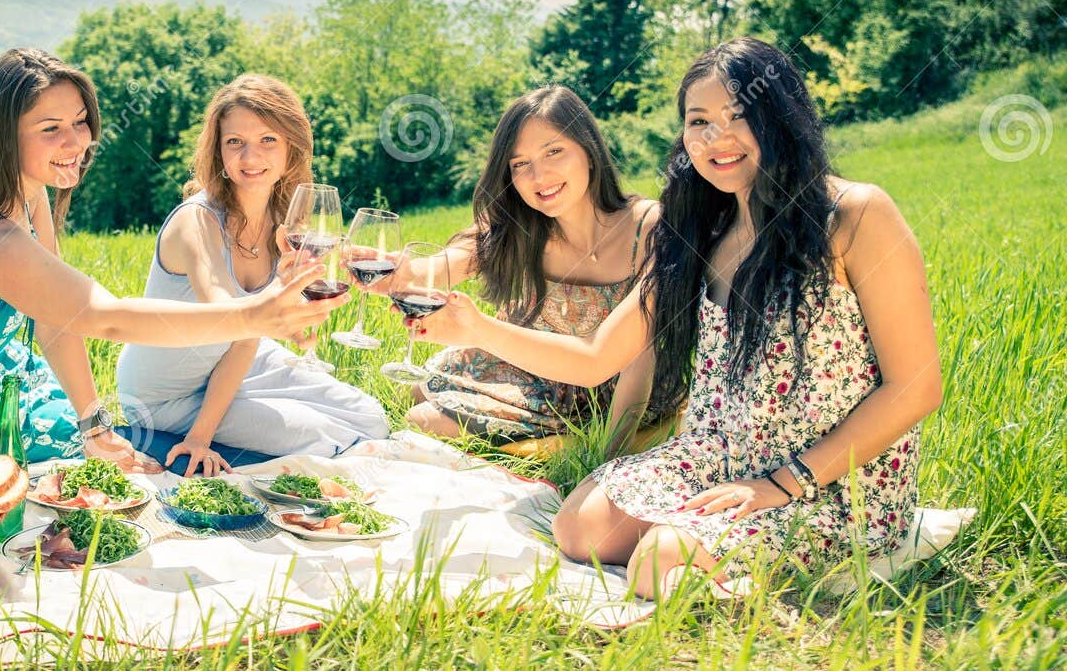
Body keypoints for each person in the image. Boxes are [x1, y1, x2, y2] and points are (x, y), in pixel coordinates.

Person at [399, 38, 942, 598]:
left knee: (659, 559)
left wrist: (783, 482)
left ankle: (715, 564)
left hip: (830, 475)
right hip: (714, 454)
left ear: (781, 116)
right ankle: (706, 547)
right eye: (699, 121)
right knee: (579, 527)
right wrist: (474, 327)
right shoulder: (698, 231)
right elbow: (595, 361)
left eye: (738, 116)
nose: (717, 138)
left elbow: (916, 386)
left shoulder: (853, 214)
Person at [0, 48, 345, 471]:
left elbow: (56, 319)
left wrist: (92, 422)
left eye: (80, 121)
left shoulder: (29, 194)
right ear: (3, 139)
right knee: (103, 471)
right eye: (51, 129)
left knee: (109, 447)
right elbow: (103, 317)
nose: (78, 142)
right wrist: (252, 315)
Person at [116, 75, 390, 475]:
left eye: (267, 140)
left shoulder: (282, 220)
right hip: (165, 394)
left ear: (290, 148)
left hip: (239, 360)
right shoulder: (197, 220)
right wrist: (198, 438)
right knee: (327, 436)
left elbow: (247, 338)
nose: (250, 157)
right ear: (218, 152)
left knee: (370, 417)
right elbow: (229, 315)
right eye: (235, 143)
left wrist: (297, 317)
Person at [395, 86, 666, 454]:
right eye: (520, 164)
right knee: (411, 390)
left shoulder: (649, 229)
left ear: (589, 152)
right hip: (525, 366)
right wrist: (397, 271)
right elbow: (437, 268)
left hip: (598, 392)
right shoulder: (518, 223)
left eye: (554, 151)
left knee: (424, 421)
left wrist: (606, 459)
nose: (539, 176)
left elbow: (639, 364)